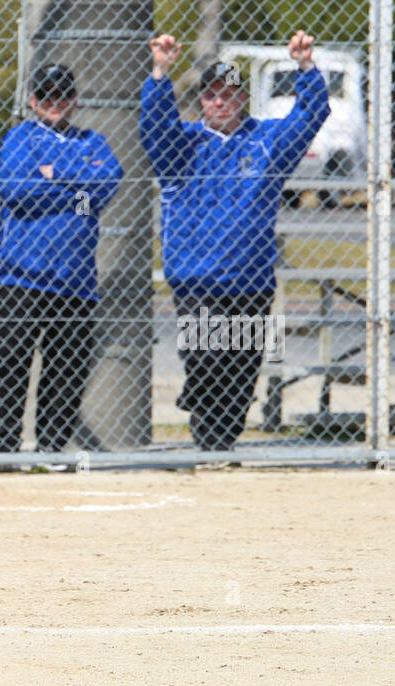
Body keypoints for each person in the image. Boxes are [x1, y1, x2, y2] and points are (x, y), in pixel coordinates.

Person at [141, 32, 329, 454]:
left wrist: (305, 68)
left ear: (243, 98)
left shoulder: (267, 142)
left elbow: (312, 116)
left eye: (228, 94)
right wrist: (160, 73)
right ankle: (205, 431)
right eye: (211, 95)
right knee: (206, 357)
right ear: (202, 100)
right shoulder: (182, 145)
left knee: (241, 368)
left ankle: (221, 445)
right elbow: (154, 125)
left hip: (251, 278)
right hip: (196, 277)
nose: (219, 103)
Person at [0, 64, 122, 464]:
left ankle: (50, 447)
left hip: (75, 281)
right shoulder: (20, 137)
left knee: (66, 369)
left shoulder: (93, 141)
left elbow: (106, 184)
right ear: (32, 101)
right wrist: (74, 190)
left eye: (62, 96)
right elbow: (16, 189)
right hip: (21, 275)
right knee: (9, 364)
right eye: (45, 96)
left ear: (75, 100)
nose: (54, 103)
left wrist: (53, 174)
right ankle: (5, 449)